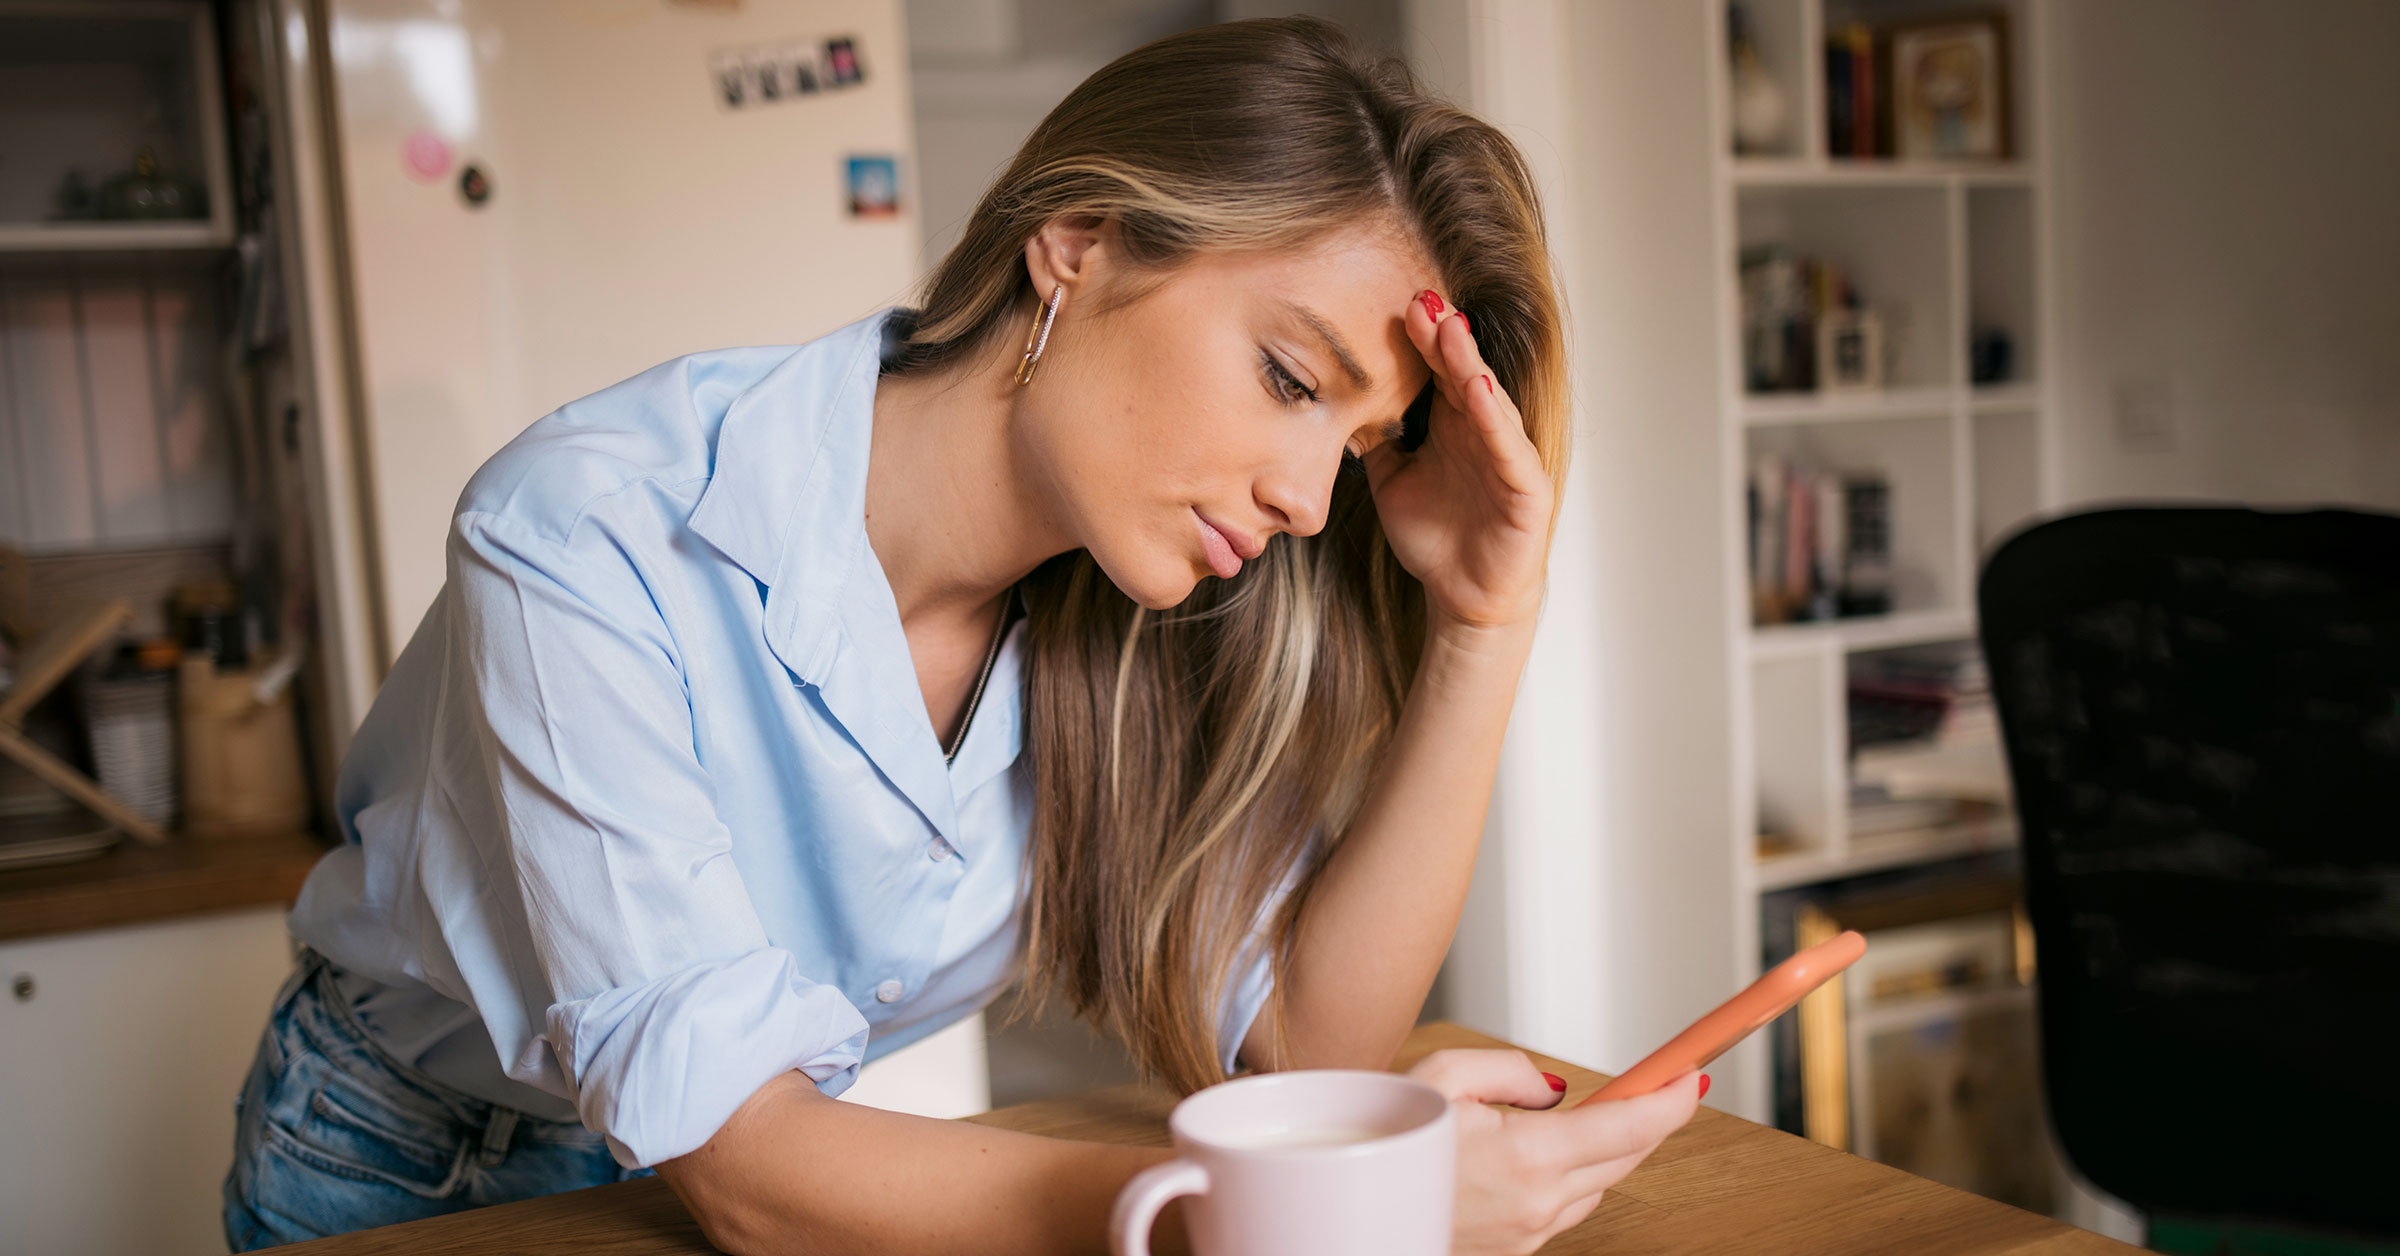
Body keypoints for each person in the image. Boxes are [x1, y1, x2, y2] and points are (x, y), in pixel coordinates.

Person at [221, 16, 1701, 1255]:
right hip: (409, 1169)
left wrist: (1484, 619)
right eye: (1288, 377)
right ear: (1077, 243)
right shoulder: (586, 534)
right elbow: (746, 1165)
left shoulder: (1155, 599)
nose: (1313, 501)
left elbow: (1310, 1045)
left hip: (818, 1178)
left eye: (1362, 442)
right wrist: (1294, 1214)